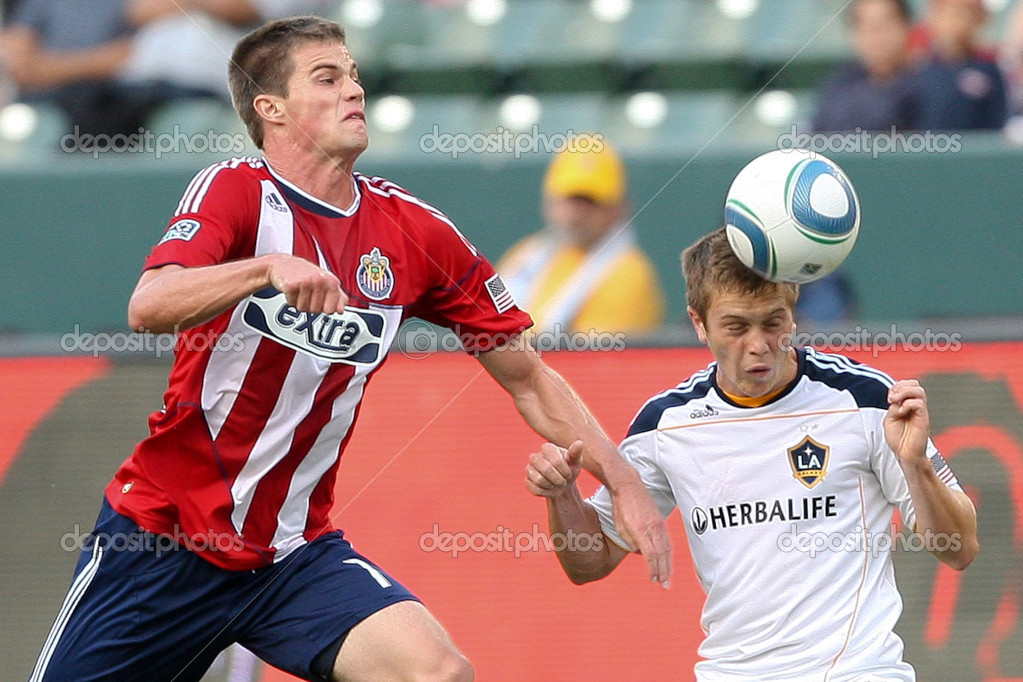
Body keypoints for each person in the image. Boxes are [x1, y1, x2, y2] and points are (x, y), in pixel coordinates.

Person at [29, 16, 671, 682]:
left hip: (290, 558)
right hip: (162, 543)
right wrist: (262, 269)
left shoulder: (412, 230)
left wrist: (621, 481)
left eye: (355, 76)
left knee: (438, 673)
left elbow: (528, 379)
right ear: (270, 107)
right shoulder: (235, 191)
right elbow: (148, 305)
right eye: (327, 78)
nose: (353, 91)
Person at [525, 227, 978, 679]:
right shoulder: (666, 425)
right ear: (698, 323)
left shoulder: (866, 399)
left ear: (794, 312)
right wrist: (561, 497)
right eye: (736, 327)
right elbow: (591, 561)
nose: (759, 345)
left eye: (773, 322)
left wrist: (917, 466)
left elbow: (959, 549)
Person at [497, 135, 666, 336]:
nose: (576, 214)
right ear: (549, 202)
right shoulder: (527, 254)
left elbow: (588, 361)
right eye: (569, 199)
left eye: (590, 202)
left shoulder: (629, 273)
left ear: (619, 208)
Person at [813, 0, 921, 133]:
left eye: (885, 22)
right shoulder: (840, 84)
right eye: (864, 25)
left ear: (907, 25)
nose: (876, 33)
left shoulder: (931, 87)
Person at [914, 0, 1008, 130]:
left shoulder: (989, 68)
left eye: (961, 15)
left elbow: (999, 117)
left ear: (978, 19)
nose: (953, 23)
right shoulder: (919, 69)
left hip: (978, 147)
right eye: (946, 14)